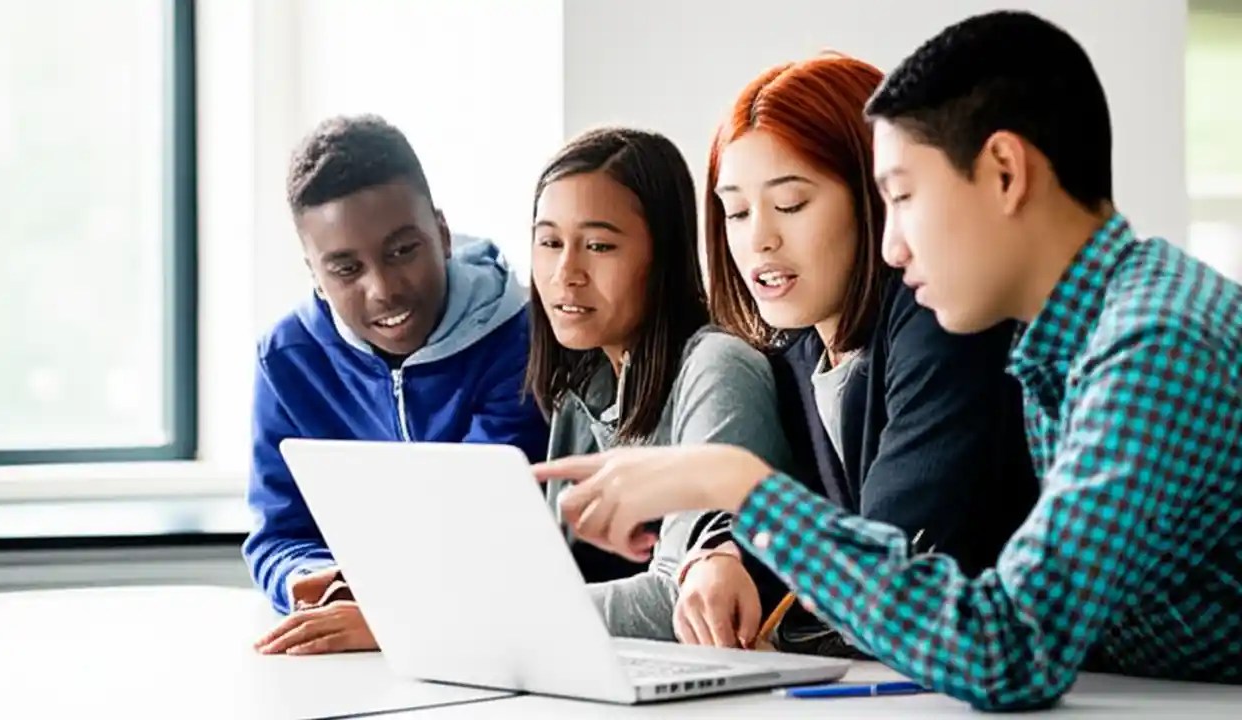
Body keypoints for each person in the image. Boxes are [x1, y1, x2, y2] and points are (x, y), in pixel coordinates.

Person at [531, 10, 1242, 711]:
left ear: (1003, 172)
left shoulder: (1151, 343)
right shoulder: (1057, 339)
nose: (892, 246)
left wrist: (740, 481)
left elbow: (1009, 648)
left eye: (901, 197)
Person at [671, 54, 1038, 654]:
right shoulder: (799, 347)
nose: (759, 238)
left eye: (789, 204)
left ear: (877, 197)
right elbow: (794, 516)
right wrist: (722, 553)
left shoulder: (945, 317)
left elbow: (886, 560)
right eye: (735, 211)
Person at [247, 115, 548, 655]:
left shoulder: (521, 339)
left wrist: (386, 609)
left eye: (402, 251)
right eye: (345, 269)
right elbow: (278, 533)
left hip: (488, 644)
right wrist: (308, 579)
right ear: (314, 273)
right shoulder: (286, 359)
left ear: (442, 232)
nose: (383, 288)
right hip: (353, 654)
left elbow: (487, 525)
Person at [528, 126, 792, 643]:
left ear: (663, 255)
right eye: (550, 242)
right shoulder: (582, 387)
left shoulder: (718, 366)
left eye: (599, 245)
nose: (566, 272)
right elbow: (553, 578)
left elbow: (684, 601)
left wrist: (459, 621)